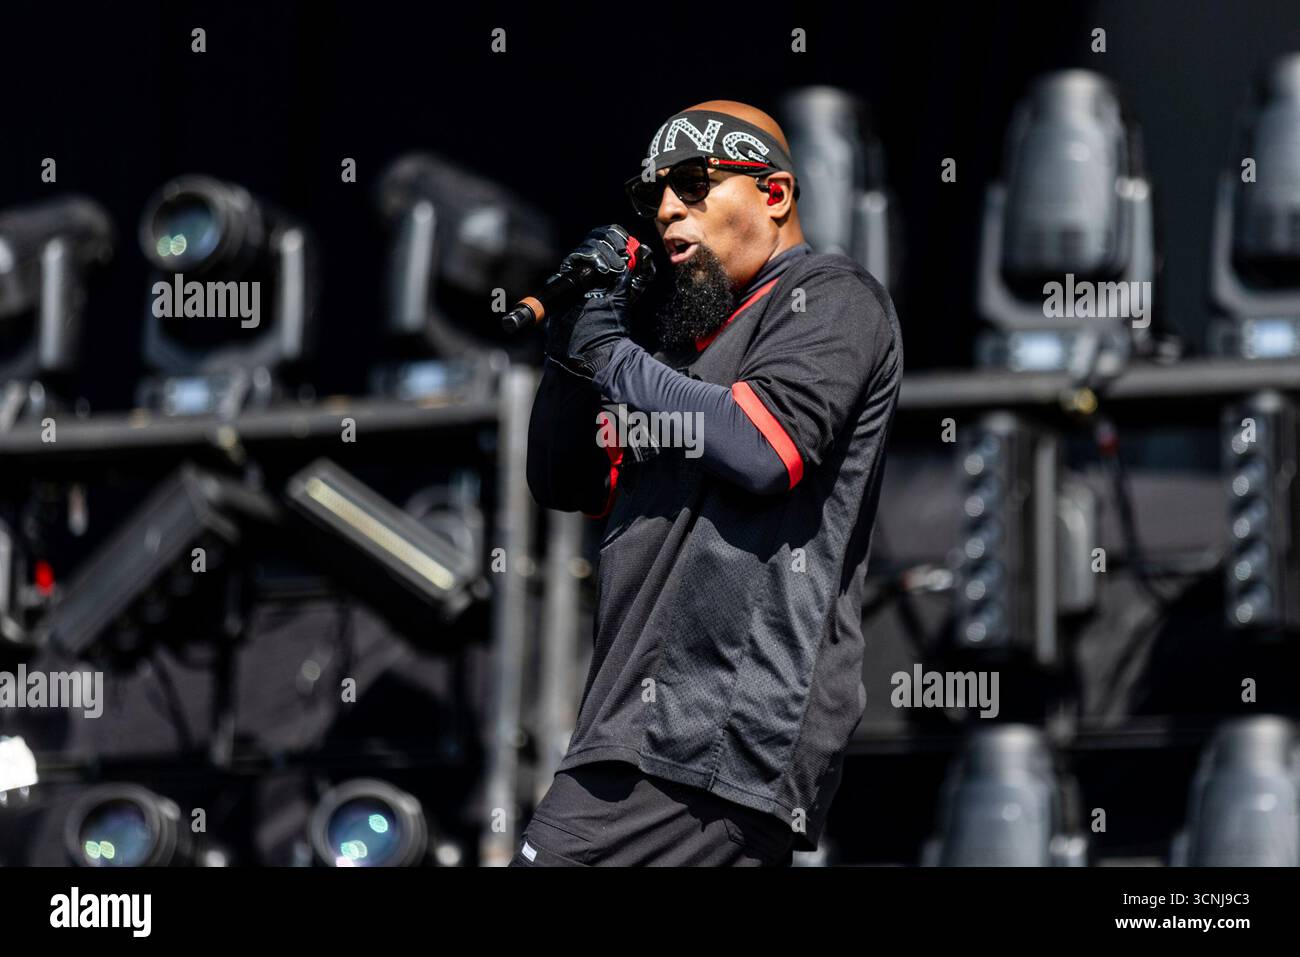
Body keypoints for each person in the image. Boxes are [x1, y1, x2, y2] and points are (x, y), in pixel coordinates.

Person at [513, 100, 902, 866]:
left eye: (692, 185)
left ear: (776, 195)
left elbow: (764, 448)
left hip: (712, 730)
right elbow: (565, 479)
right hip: (635, 733)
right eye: (652, 194)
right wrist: (573, 346)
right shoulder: (679, 354)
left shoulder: (831, 296)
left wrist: (614, 357)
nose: (665, 209)